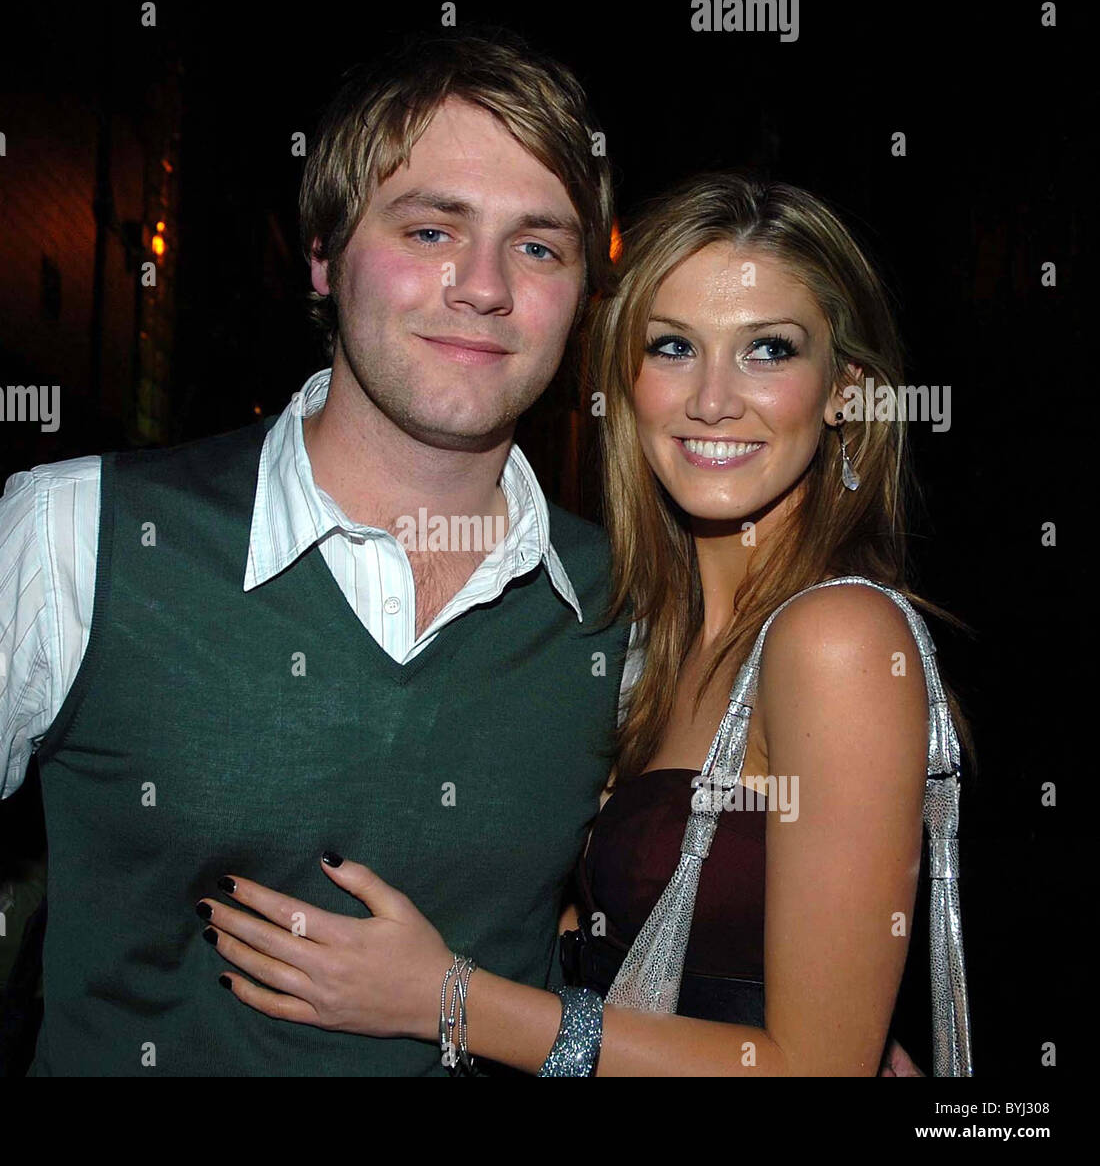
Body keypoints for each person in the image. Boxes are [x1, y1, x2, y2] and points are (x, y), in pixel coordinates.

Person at [0, 29, 632, 1076]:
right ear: (324, 255)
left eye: (538, 246)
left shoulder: (625, 604)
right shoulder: (76, 535)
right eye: (429, 229)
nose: (482, 285)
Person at [195, 173, 970, 1075]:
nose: (713, 399)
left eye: (768, 351)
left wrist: (446, 998)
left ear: (845, 390)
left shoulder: (837, 638)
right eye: (674, 345)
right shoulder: (637, 634)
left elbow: (816, 1067)